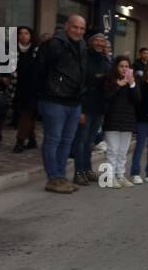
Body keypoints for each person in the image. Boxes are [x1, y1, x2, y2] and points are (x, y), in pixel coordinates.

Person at [36, 14, 89, 194]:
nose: (79, 31)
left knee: (67, 141)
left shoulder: (82, 45)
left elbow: (83, 74)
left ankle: (60, 176)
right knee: (53, 139)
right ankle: (53, 178)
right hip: (54, 100)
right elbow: (40, 70)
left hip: (74, 102)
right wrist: (46, 92)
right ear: (67, 26)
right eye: (75, 27)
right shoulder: (53, 44)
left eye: (82, 28)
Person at [71, 31, 111, 187]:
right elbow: (78, 83)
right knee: (80, 141)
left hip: (99, 108)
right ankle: (78, 173)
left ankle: (87, 170)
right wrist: (79, 108)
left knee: (89, 142)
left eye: (102, 41)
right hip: (85, 107)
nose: (100, 43)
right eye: (97, 40)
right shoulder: (83, 58)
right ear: (90, 42)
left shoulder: (105, 60)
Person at [99, 55, 139, 189]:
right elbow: (106, 97)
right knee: (112, 151)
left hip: (127, 120)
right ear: (116, 67)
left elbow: (137, 100)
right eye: (121, 66)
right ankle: (108, 178)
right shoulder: (110, 79)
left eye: (127, 66)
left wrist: (132, 84)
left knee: (123, 151)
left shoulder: (132, 82)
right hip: (113, 120)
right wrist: (117, 85)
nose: (124, 69)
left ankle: (120, 175)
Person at [11, 26, 40, 153]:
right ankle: (32, 139)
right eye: (20, 33)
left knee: (25, 114)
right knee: (28, 116)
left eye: (26, 33)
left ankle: (20, 141)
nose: (23, 36)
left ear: (31, 35)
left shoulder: (37, 50)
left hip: (33, 89)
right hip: (17, 87)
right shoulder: (12, 50)